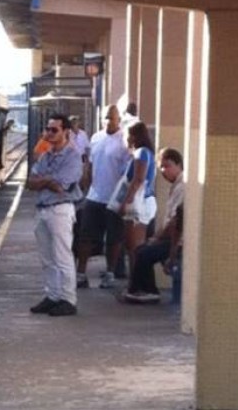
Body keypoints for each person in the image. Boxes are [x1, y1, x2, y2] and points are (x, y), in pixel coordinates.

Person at [27, 114, 83, 317]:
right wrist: (47, 181)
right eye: (48, 129)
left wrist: (44, 181)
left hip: (60, 209)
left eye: (54, 130)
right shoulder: (46, 155)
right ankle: (53, 295)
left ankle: (69, 299)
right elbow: (31, 182)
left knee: (62, 256)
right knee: (46, 257)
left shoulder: (73, 157)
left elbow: (61, 186)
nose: (49, 133)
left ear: (65, 131)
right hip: (43, 208)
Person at [77, 105, 131, 289]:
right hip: (94, 195)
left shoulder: (123, 141)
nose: (108, 121)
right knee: (85, 236)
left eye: (112, 117)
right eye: (106, 117)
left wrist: (124, 199)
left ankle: (110, 273)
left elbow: (127, 173)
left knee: (113, 239)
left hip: (113, 198)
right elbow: (90, 163)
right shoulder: (96, 137)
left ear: (118, 120)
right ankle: (81, 273)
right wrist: (86, 178)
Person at [125, 148, 184, 303]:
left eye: (168, 166)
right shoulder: (176, 185)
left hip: (179, 241)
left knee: (144, 254)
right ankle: (144, 289)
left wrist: (157, 238)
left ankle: (141, 290)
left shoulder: (183, 186)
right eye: (161, 167)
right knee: (141, 250)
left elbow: (175, 222)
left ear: (179, 164)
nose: (164, 171)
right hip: (170, 238)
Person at [116, 121, 159, 290]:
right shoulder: (144, 153)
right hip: (143, 201)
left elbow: (138, 179)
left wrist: (126, 201)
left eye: (128, 135)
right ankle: (136, 283)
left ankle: (137, 285)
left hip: (138, 204)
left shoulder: (141, 153)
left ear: (134, 136)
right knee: (133, 247)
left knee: (135, 248)